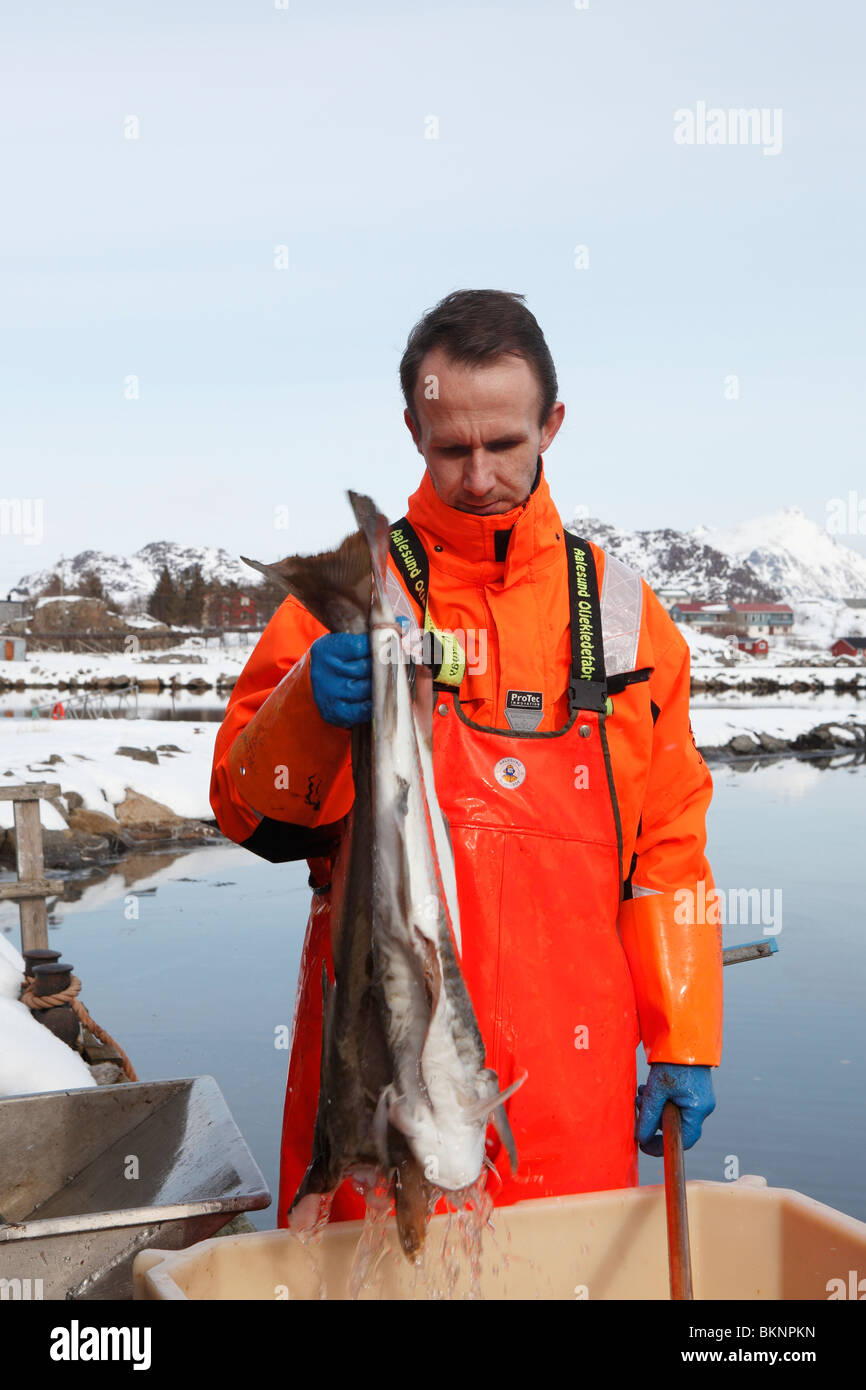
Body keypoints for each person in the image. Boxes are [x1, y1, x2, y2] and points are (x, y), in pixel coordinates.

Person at [209, 289, 722, 1227]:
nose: (480, 476)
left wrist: (683, 1032)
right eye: (452, 449)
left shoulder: (623, 615)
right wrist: (304, 710)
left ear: (552, 424)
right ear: (413, 429)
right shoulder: (357, 593)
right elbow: (251, 816)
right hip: (381, 1067)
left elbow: (670, 849)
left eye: (505, 445)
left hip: (573, 1090)